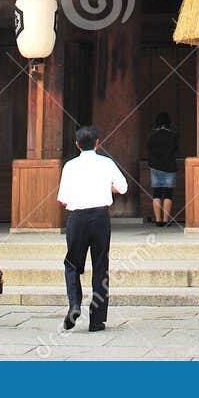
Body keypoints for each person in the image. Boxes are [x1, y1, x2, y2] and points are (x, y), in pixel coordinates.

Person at [57, 124, 128, 332]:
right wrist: (106, 188)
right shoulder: (106, 163)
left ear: (77, 144)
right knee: (100, 266)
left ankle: (74, 304)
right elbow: (123, 187)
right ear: (98, 143)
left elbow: (62, 199)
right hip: (100, 217)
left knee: (72, 264)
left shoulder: (70, 166)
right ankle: (97, 319)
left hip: (77, 218)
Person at [146, 112, 180, 227]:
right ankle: (166, 220)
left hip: (155, 167)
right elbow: (176, 150)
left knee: (156, 193)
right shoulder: (173, 136)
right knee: (168, 194)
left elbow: (149, 149)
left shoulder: (151, 135)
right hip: (170, 167)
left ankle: (157, 220)